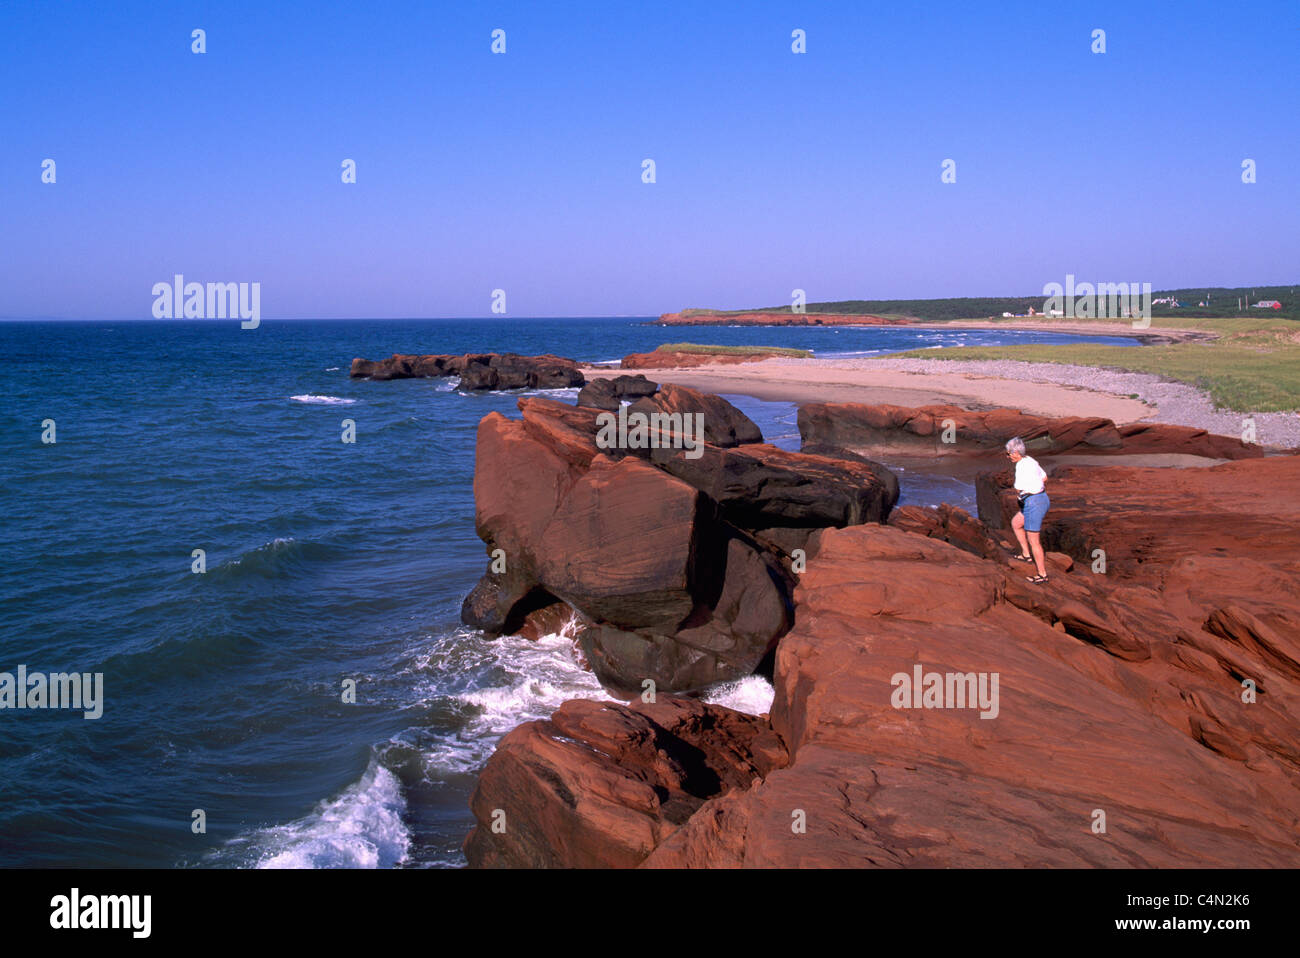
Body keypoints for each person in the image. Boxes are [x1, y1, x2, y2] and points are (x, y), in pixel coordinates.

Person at [1005, 437, 1051, 583]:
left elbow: (1018, 487)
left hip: (1033, 503)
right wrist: (1034, 485)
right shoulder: (1031, 460)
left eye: (1009, 454)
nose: (1008, 457)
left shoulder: (1021, 466)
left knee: (1034, 541)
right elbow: (1044, 477)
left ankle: (1042, 575)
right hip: (1041, 498)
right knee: (1016, 523)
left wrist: (1028, 490)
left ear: (1016, 452)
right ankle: (1026, 554)